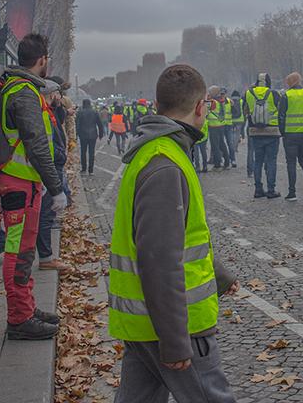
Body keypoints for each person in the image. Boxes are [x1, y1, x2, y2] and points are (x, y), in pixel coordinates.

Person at [109, 64, 238, 403]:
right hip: (177, 323)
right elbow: (160, 260)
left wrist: (219, 275)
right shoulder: (166, 164)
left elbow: (179, 237)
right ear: (200, 107)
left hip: (144, 322)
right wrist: (175, 340)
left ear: (157, 105)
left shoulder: (154, 153)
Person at [0, 33, 66, 340]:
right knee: (18, 252)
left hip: (23, 181)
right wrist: (56, 187)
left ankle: (26, 307)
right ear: (42, 60)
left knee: (24, 250)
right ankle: (19, 318)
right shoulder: (24, 92)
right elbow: (37, 144)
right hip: (19, 183)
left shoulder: (19, 87)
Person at [37, 79, 68, 272]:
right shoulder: (44, 113)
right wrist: (60, 154)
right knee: (45, 214)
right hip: (49, 167)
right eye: (57, 94)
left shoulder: (50, 111)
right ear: (51, 94)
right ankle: (46, 257)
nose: (60, 97)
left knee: (45, 213)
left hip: (52, 165)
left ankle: (45, 255)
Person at [244, 73, 281, 199]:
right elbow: (280, 110)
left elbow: (245, 111)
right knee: (271, 161)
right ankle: (271, 189)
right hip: (272, 132)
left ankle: (258, 189)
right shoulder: (274, 94)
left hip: (255, 132)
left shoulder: (249, 93)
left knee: (258, 161)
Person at [278, 72, 303, 201]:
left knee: (291, 163)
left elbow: (281, 116)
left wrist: (283, 133)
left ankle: (292, 192)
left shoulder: (286, 95)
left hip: (290, 134)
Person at [76, 98, 105, 175]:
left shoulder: (80, 112)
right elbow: (100, 124)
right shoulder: (95, 112)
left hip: (83, 135)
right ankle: (91, 170)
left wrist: (76, 134)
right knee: (91, 152)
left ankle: (83, 169)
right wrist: (101, 134)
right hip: (93, 134)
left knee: (83, 152)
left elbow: (77, 124)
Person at [206, 86, 230, 169]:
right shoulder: (222, 100)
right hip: (221, 125)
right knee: (222, 144)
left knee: (215, 146)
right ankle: (227, 162)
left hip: (213, 126)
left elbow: (206, 111)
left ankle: (217, 164)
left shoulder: (212, 102)